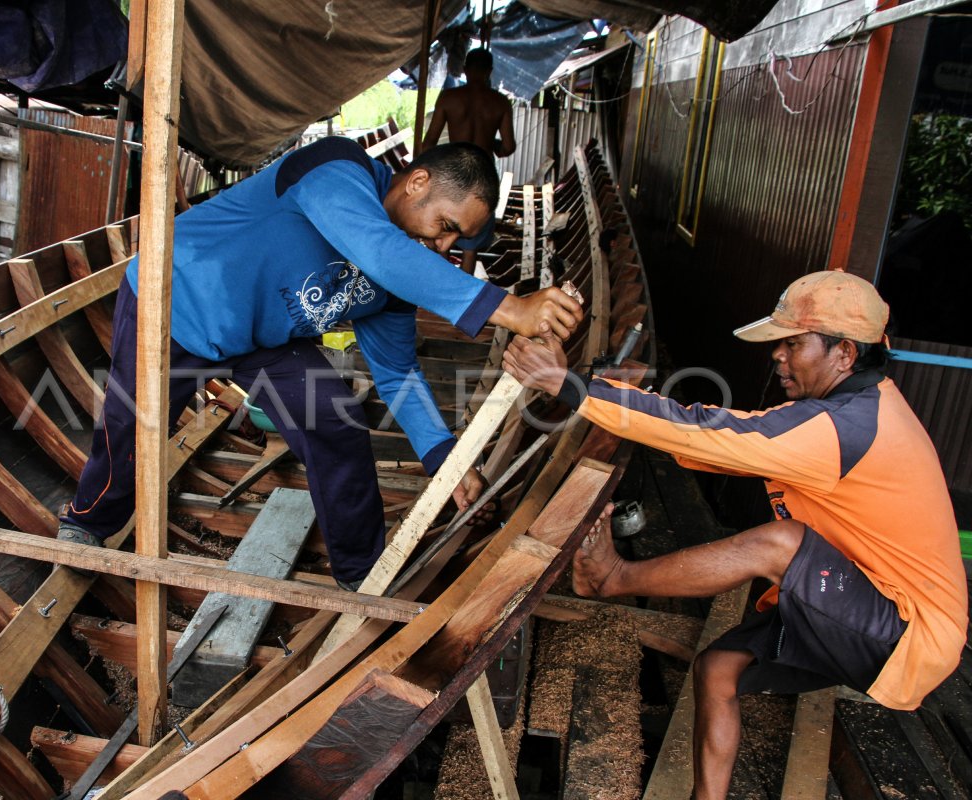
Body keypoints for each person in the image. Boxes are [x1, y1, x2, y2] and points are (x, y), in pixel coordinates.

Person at [503, 270, 967, 799]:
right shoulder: (855, 407)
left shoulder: (846, 427)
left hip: (909, 631)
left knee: (780, 543)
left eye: (793, 344)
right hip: (866, 601)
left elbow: (715, 434)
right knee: (718, 670)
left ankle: (614, 577)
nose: (779, 356)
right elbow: (722, 444)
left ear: (845, 353)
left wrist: (573, 386)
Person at [58, 137, 582, 591]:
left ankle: (362, 570)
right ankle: (88, 523)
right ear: (417, 182)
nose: (442, 245)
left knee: (336, 421)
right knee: (134, 427)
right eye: (445, 226)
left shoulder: (396, 280)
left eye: (455, 240)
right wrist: (508, 308)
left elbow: (398, 373)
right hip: (176, 301)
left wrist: (444, 458)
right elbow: (376, 250)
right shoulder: (336, 170)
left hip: (262, 339)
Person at [419, 48, 516, 274]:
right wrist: (492, 144)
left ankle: (438, 293)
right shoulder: (500, 102)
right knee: (470, 248)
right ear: (489, 72)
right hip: (483, 174)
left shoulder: (449, 98)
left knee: (443, 238)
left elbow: (429, 142)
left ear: (464, 70)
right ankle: (462, 304)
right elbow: (509, 147)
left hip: (454, 171)